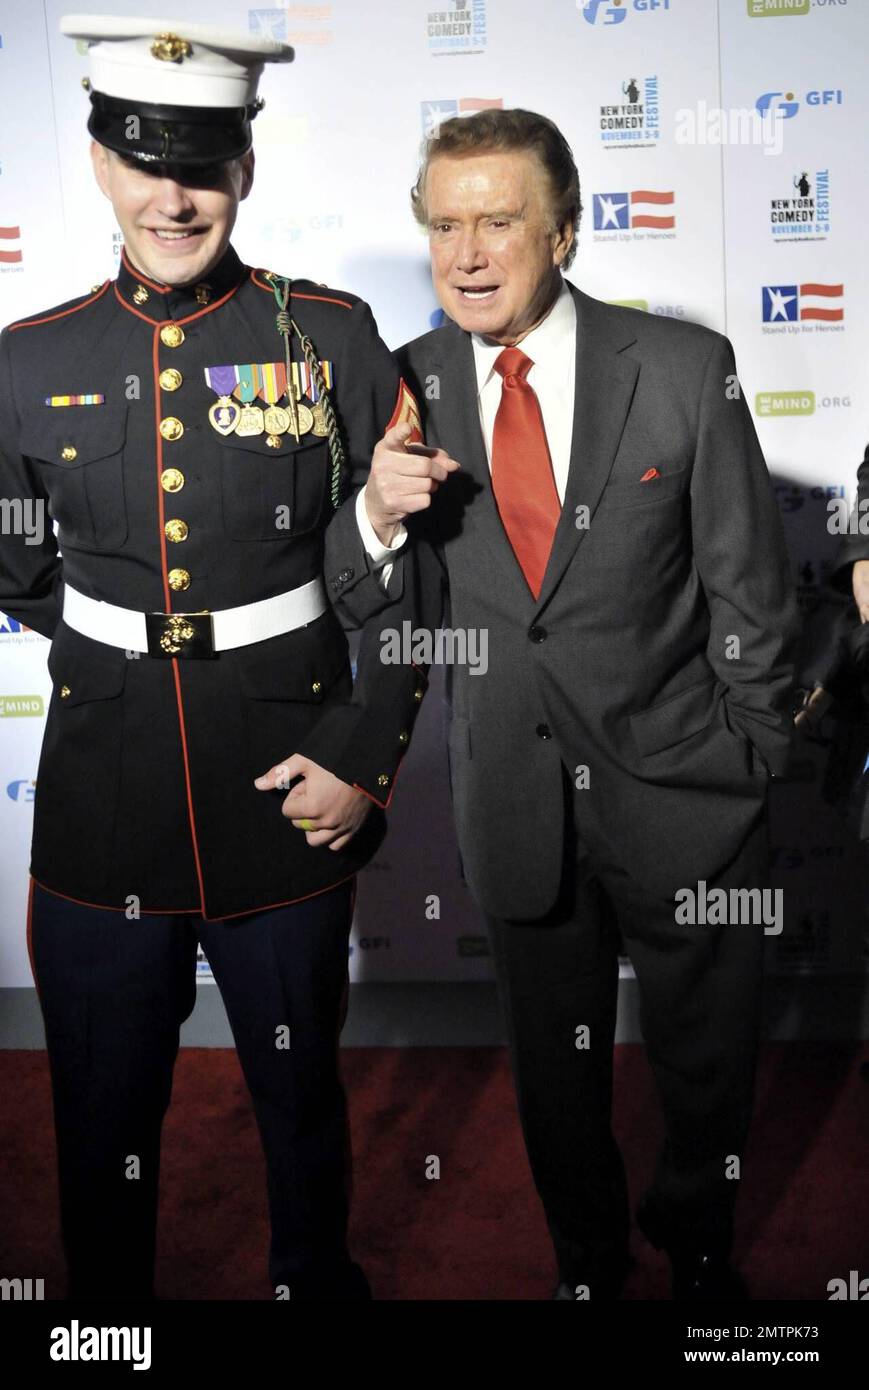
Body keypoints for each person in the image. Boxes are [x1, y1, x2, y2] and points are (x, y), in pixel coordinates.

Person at [332, 108, 800, 1299]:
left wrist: (744, 754)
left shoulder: (684, 369)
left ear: (566, 234)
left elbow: (746, 577)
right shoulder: (408, 382)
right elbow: (360, 601)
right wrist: (376, 518)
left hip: (685, 792)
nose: (467, 254)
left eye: (497, 222)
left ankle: (696, 1249)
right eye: (444, 225)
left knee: (705, 1067)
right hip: (514, 802)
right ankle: (584, 1263)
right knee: (553, 1071)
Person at [0, 14, 429, 1301]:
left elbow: (408, 584)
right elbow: (15, 565)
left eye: (200, 161)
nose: (170, 195)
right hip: (100, 798)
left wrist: (363, 761)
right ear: (97, 161)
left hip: (285, 783)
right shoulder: (28, 361)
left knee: (299, 1099)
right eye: (141, 157)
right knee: (99, 1119)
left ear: (244, 168)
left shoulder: (335, 339)